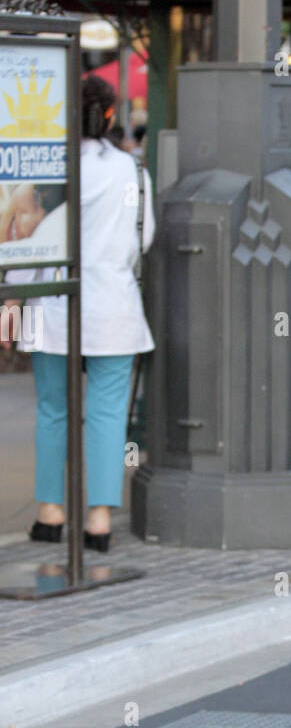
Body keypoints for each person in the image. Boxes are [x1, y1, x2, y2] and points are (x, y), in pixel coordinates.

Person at [0, 74, 155, 552]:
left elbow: (27, 247)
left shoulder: (51, 170)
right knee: (107, 416)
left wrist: (10, 305)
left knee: (52, 411)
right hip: (115, 308)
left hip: (49, 307)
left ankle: (50, 515)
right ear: (109, 115)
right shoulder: (133, 172)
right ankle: (100, 521)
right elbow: (141, 241)